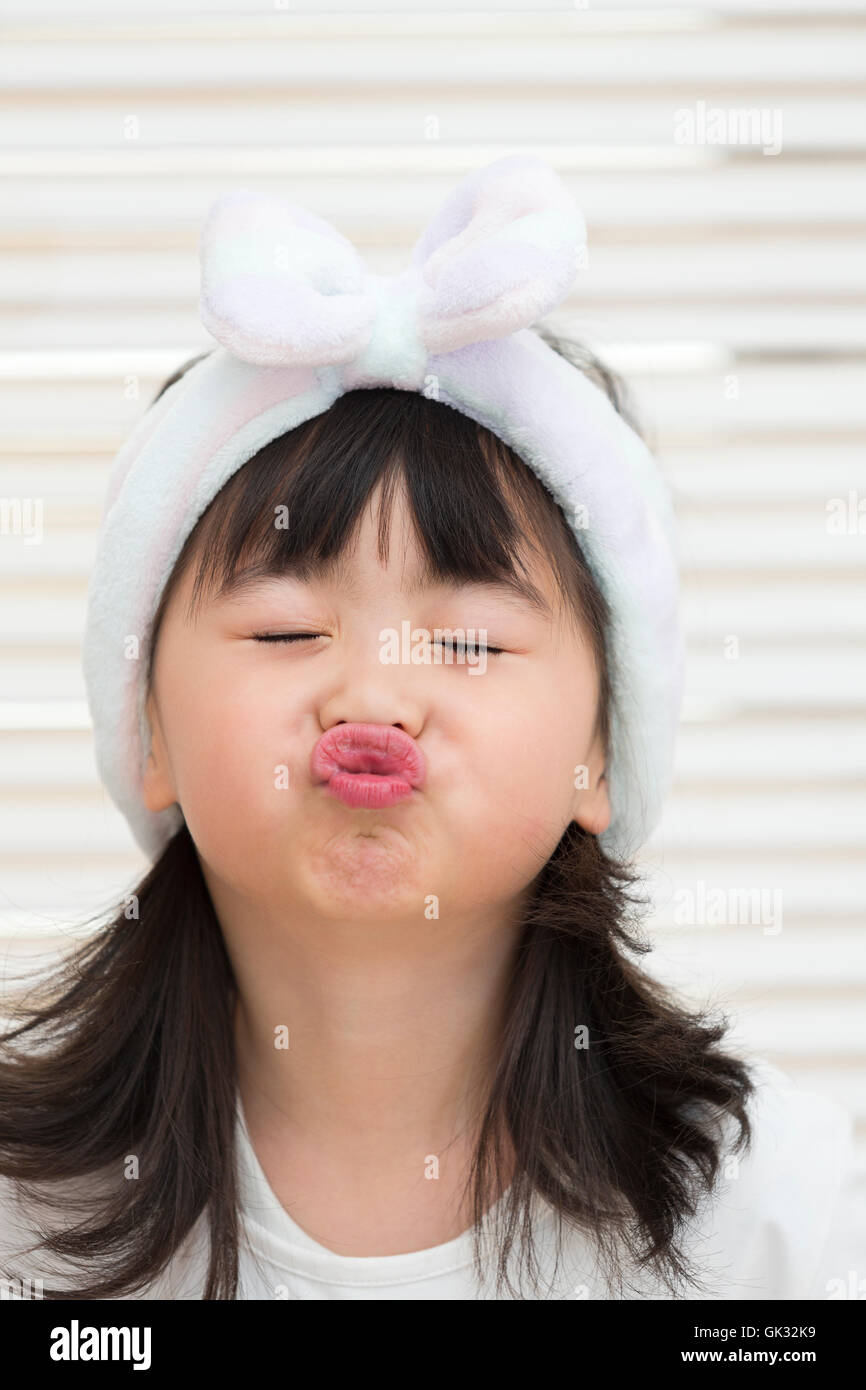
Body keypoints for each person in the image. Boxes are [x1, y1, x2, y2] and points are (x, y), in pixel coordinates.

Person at [0, 155, 861, 1301]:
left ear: (600, 750)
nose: (374, 695)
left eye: (469, 643)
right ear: (146, 729)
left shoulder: (762, 1210)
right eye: (284, 631)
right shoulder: (27, 1207)